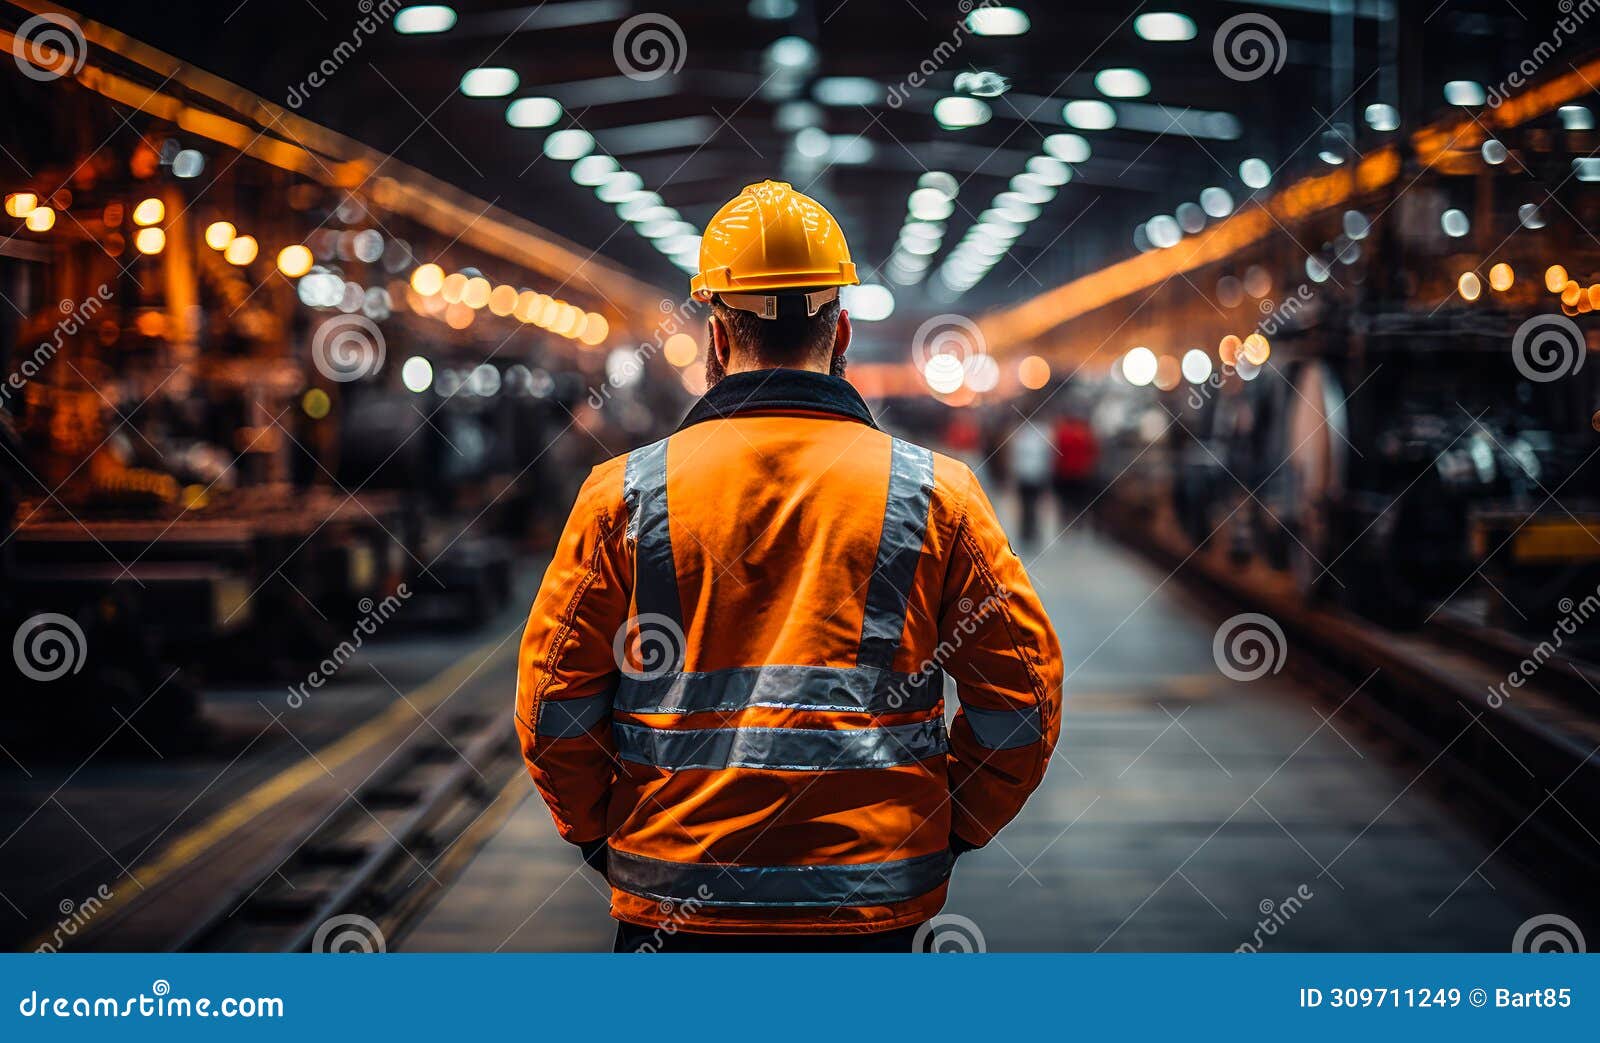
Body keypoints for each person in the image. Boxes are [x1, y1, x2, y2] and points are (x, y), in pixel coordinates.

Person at [514, 181, 1064, 953]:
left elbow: (552, 707)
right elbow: (1022, 703)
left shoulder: (625, 496)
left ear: (715, 337)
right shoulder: (937, 493)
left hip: (673, 901)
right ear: (840, 334)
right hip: (868, 902)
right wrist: (951, 822)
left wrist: (599, 834)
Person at [1007, 420, 1054, 549]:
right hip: (1032, 474)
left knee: (1028, 504)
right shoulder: (1041, 433)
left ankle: (1029, 530)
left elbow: (1015, 456)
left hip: (1029, 474)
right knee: (1030, 504)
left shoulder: (1022, 435)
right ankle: (1029, 530)